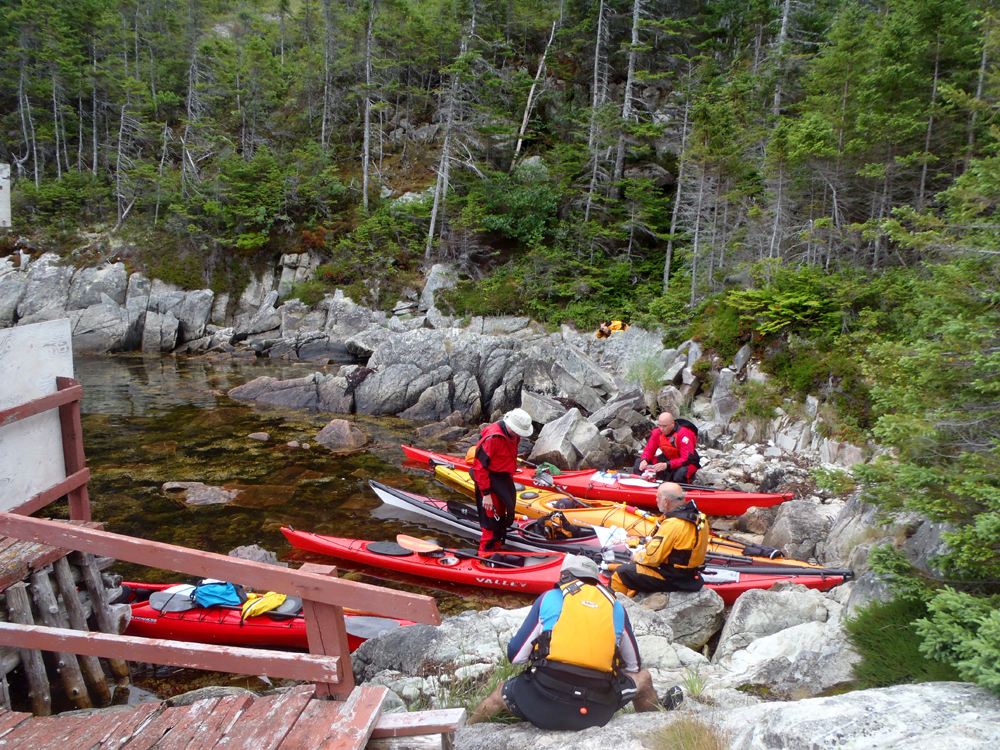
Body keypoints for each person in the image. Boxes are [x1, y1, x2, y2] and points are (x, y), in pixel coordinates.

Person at [468, 556, 682, 729]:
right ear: (596, 579)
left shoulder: (548, 598)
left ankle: (464, 732)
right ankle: (658, 724)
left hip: (541, 704)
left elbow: (515, 657)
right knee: (643, 678)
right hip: (596, 711)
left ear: (564, 577)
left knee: (500, 692)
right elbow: (634, 666)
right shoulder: (616, 608)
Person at [610, 483, 709, 597]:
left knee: (621, 573)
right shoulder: (699, 517)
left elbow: (653, 558)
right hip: (689, 575)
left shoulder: (673, 523)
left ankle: (613, 609)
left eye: (657, 497)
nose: (656, 500)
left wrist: (637, 557)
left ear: (666, 501)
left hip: (673, 578)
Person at [470, 408, 534, 557]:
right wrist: (486, 494)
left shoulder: (514, 436)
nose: (519, 435)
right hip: (490, 482)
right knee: (490, 522)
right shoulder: (493, 438)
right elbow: (479, 467)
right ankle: (484, 556)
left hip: (504, 481)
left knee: (502, 518)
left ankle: (497, 551)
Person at [634, 412, 701, 483]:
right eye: (660, 425)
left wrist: (668, 465)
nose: (662, 429)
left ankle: (682, 491)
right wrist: (645, 460)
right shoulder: (657, 433)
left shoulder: (684, 434)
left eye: (665, 426)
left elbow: (686, 459)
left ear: (672, 423)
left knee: (680, 475)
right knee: (638, 463)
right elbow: (649, 450)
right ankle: (643, 487)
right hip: (667, 459)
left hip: (687, 462)